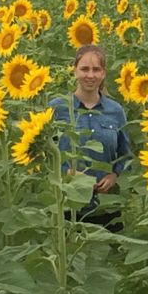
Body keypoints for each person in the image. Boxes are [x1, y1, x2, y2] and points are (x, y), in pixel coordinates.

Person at [50, 44, 131, 229]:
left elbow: (125, 154)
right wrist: (64, 171)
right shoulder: (57, 108)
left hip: (105, 204)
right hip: (68, 202)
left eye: (96, 69)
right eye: (85, 69)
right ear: (74, 70)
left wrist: (114, 174)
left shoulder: (115, 111)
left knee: (108, 254)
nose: (90, 75)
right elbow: (44, 153)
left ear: (103, 73)